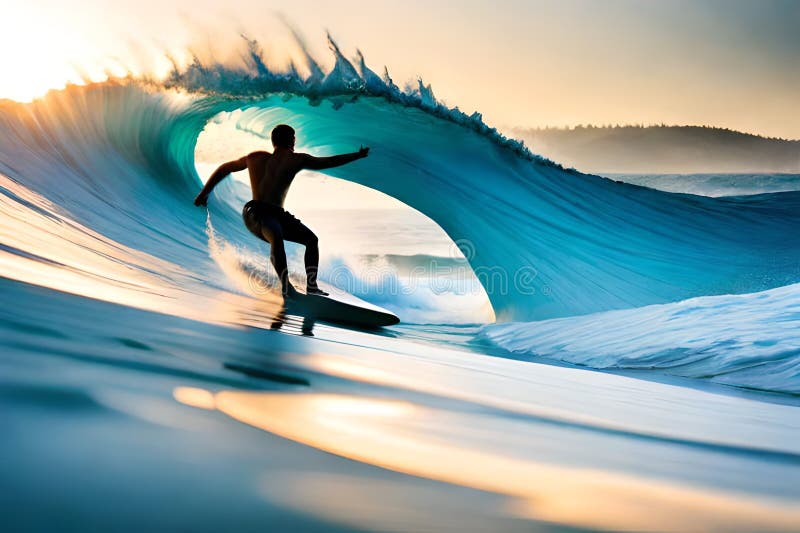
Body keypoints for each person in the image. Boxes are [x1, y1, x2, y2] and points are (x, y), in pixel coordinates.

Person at [194, 124, 369, 298]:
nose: (294, 141)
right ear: (291, 140)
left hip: (264, 214)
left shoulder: (255, 157)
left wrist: (204, 192)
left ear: (274, 141)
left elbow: (225, 167)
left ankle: (311, 287)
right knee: (277, 237)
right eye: (293, 138)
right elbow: (329, 161)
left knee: (311, 239)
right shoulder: (296, 159)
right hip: (260, 213)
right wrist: (357, 155)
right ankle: (286, 287)